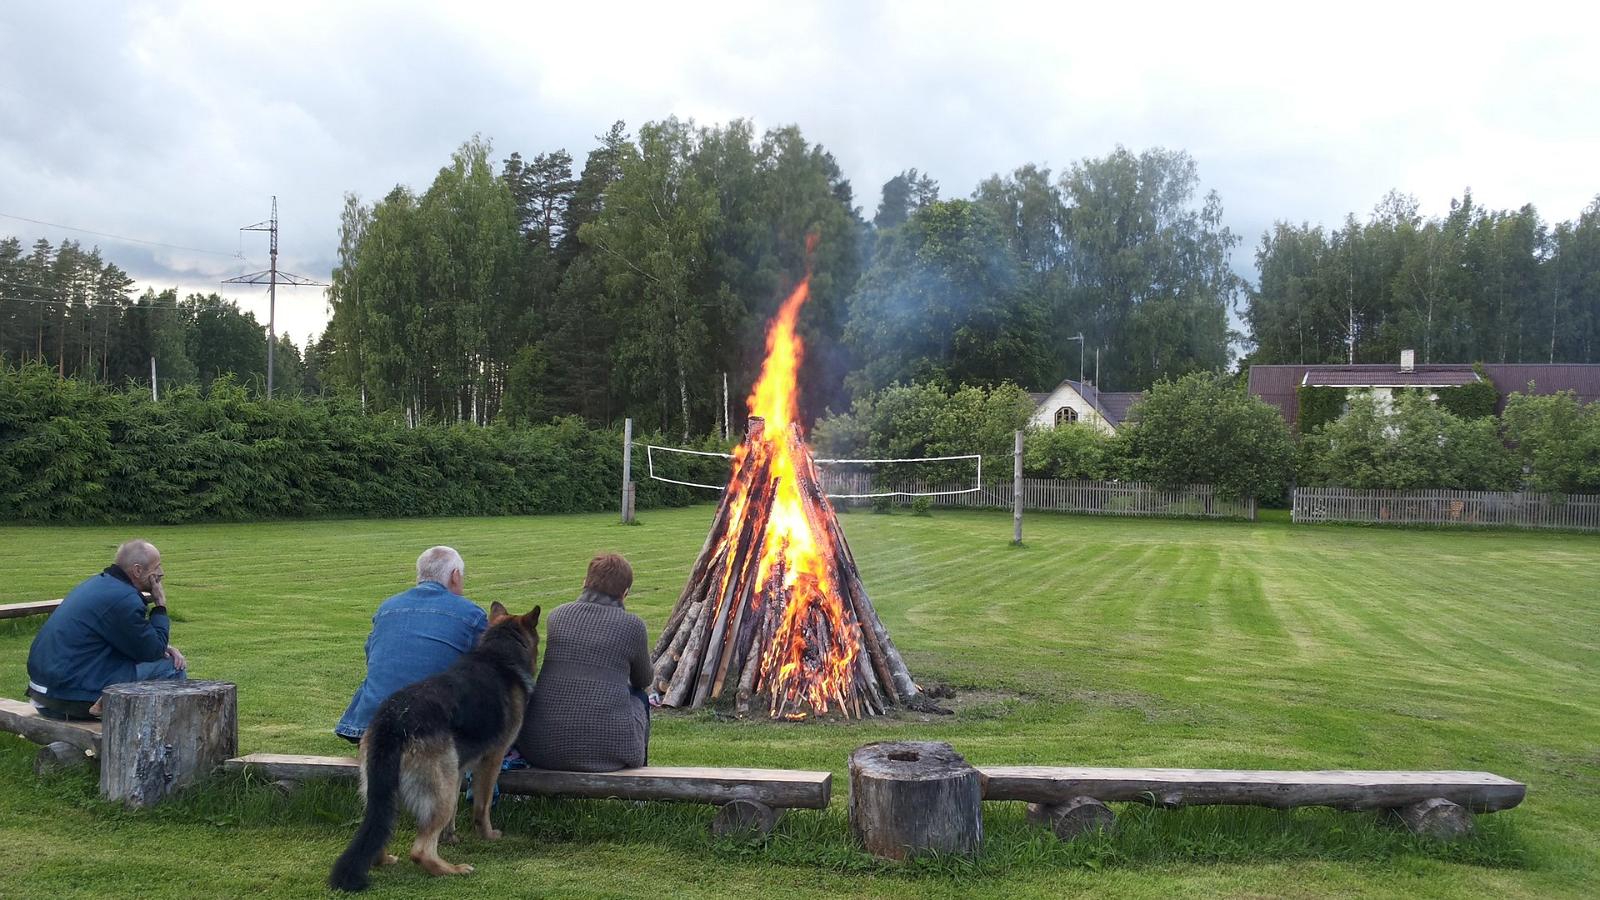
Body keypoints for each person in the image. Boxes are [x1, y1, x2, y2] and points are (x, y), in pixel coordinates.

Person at [335, 546, 488, 744]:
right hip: (433, 727)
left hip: (373, 725)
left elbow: (371, 656)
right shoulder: (472, 615)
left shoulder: (387, 607)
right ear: (455, 576)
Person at [518, 552, 652, 772]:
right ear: (624, 593)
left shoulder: (557, 616)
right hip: (609, 754)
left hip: (539, 748)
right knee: (641, 697)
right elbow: (644, 679)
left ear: (585, 583)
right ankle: (640, 785)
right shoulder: (633, 626)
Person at [26, 539, 187, 720]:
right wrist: (160, 606)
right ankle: (163, 737)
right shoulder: (123, 599)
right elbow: (152, 652)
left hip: (44, 695)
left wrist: (162, 645)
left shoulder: (99, 585)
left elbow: (132, 641)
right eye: (156, 567)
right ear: (137, 570)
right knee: (172, 667)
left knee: (160, 659)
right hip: (69, 700)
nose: (161, 573)